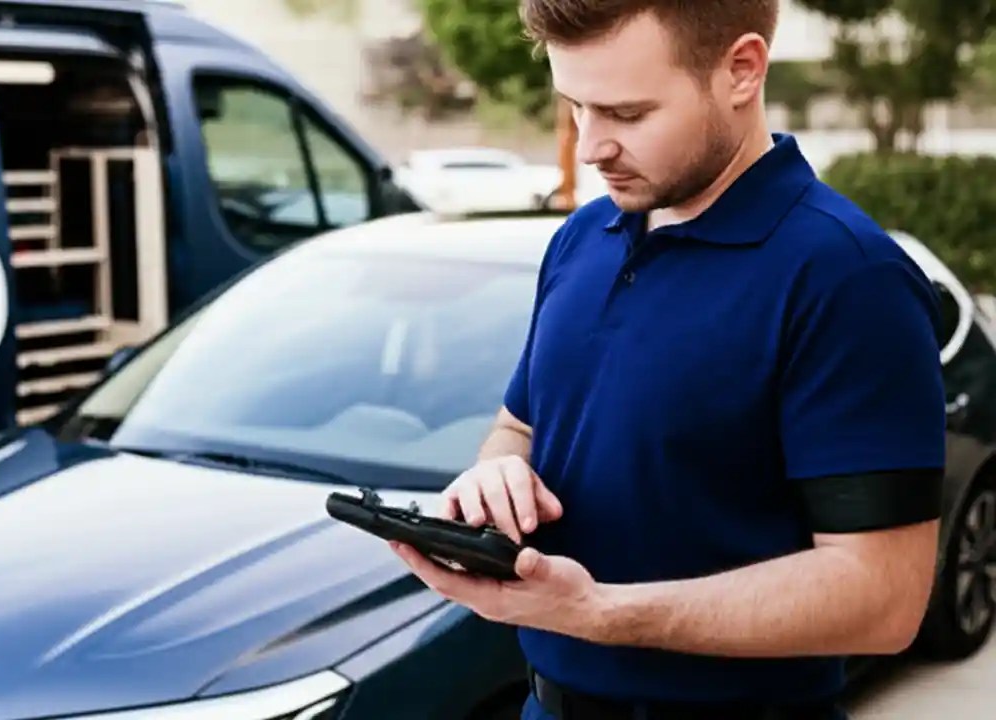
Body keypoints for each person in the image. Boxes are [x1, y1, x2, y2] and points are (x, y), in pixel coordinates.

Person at [387, 2, 946, 719]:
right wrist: (500, 471)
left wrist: (599, 614)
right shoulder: (582, 238)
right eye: (574, 108)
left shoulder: (848, 276)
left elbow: (882, 598)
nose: (590, 147)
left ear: (741, 69)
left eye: (626, 113)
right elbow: (519, 426)